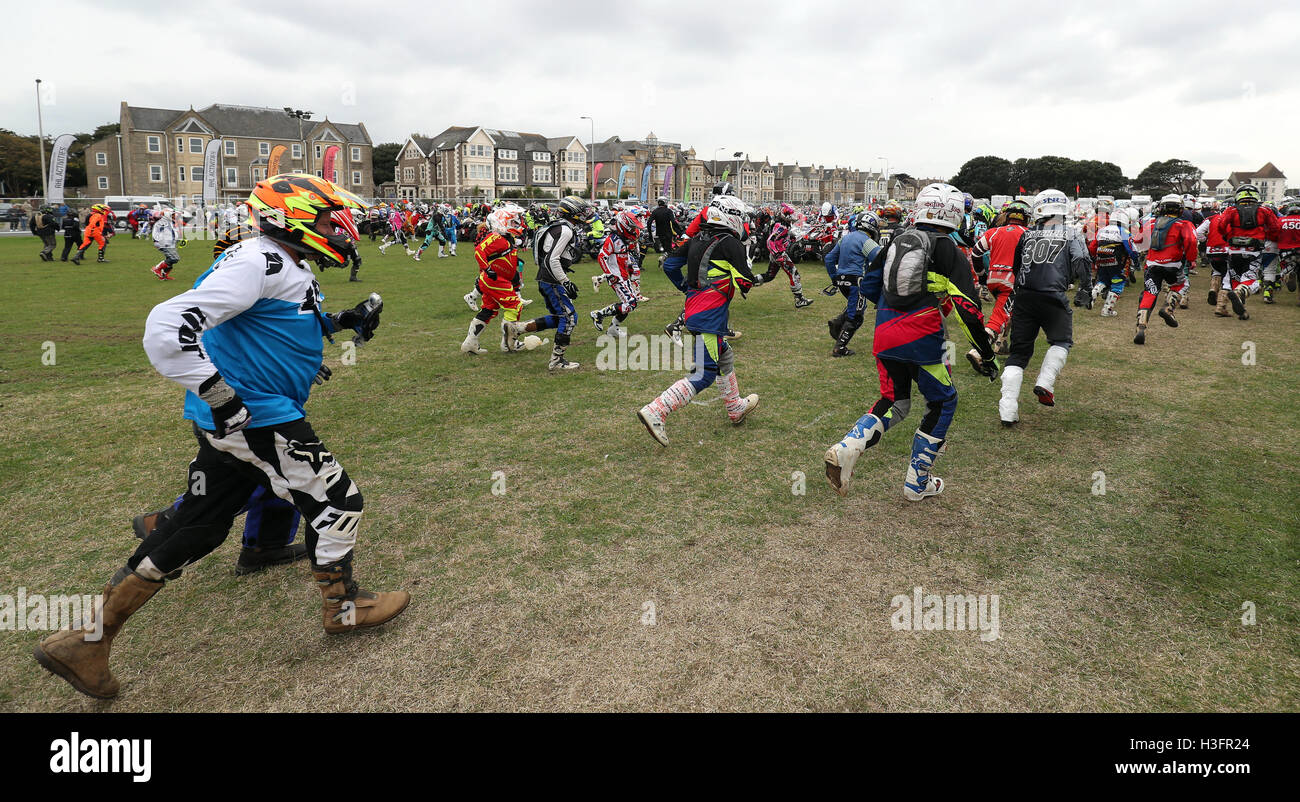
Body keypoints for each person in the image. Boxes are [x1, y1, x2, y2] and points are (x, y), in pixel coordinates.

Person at [33, 174, 407, 700]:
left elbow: (275, 320)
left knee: (197, 527)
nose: (340, 230)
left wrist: (341, 320)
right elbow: (168, 325)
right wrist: (219, 395)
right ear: (291, 218)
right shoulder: (261, 260)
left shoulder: (279, 260)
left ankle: (84, 640)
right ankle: (345, 608)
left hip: (243, 417)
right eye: (327, 220)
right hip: (255, 415)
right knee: (338, 500)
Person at [823, 183, 997, 501]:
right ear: (956, 214)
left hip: (885, 332)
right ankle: (917, 481)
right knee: (943, 402)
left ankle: (848, 446)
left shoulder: (896, 240)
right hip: (924, 338)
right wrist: (986, 353)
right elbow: (969, 311)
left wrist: (893, 311)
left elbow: (868, 286)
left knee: (895, 401)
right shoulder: (949, 249)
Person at [637, 195, 760, 445]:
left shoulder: (696, 238)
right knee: (704, 374)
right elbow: (745, 281)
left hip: (695, 310)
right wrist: (755, 275)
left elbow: (670, 265)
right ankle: (656, 410)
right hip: (709, 316)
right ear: (730, 216)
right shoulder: (729, 242)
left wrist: (688, 288)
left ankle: (735, 406)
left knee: (724, 355)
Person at [996, 189, 1090, 424]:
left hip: (1025, 296)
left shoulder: (1027, 235)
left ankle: (1007, 409)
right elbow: (1081, 259)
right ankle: (1045, 382)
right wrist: (1085, 289)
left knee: (1018, 354)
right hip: (1053, 295)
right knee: (1062, 341)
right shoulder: (1072, 233)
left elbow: (1016, 267)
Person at [506, 195, 590, 370]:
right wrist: (565, 282)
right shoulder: (565, 230)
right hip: (552, 280)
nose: (584, 214)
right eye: (581, 211)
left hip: (546, 278)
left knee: (560, 317)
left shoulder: (558, 226)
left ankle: (518, 328)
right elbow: (553, 259)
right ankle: (557, 361)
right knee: (569, 319)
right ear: (572, 212)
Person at [460, 205, 529, 355]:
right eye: (512, 222)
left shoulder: (505, 238)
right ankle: (509, 343)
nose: (516, 225)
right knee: (515, 305)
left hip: (497, 279)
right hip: (495, 279)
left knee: (488, 310)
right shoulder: (497, 238)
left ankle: (470, 343)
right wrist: (488, 269)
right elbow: (479, 251)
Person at [1132, 195, 1198, 345]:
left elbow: (1137, 240)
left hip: (1152, 264)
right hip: (1173, 265)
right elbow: (1191, 240)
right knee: (1181, 285)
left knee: (1149, 294)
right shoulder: (1184, 224)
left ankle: (1141, 326)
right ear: (1180, 209)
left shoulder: (1151, 222)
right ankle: (1168, 308)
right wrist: (1191, 258)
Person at [970, 199, 1030, 355]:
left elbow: (976, 253)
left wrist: (982, 275)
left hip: (992, 280)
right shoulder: (1028, 234)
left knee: (1009, 310)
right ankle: (978, 352)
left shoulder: (993, 231)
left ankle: (1001, 343)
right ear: (1026, 218)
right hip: (1012, 282)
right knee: (999, 317)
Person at [1212, 184, 1280, 319]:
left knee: (1234, 278)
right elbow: (1275, 228)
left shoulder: (1231, 210)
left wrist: (1227, 236)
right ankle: (1240, 292)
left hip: (1234, 250)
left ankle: (1237, 309)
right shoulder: (1264, 210)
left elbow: (1221, 226)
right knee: (1252, 281)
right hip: (1254, 250)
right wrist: (1265, 234)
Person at [823, 210, 883, 356]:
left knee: (853, 307)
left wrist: (834, 277)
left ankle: (837, 323)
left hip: (842, 280)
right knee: (856, 316)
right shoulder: (866, 241)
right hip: (856, 281)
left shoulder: (845, 238)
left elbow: (829, 258)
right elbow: (879, 259)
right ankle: (840, 348)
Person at [589, 209, 646, 338]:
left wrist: (632, 266)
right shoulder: (612, 239)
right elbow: (601, 257)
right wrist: (609, 274)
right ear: (624, 226)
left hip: (623, 276)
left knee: (628, 303)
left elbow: (625, 256)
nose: (633, 231)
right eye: (631, 228)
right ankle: (598, 314)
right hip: (616, 277)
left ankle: (613, 329)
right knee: (630, 303)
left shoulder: (624, 238)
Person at [764, 202, 814, 309]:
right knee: (795, 275)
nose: (794, 217)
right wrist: (777, 254)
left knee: (769, 276)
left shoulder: (781, 225)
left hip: (776, 253)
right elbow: (770, 241)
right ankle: (799, 300)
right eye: (791, 214)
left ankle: (749, 282)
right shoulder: (782, 227)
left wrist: (790, 239)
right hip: (779, 254)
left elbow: (780, 239)